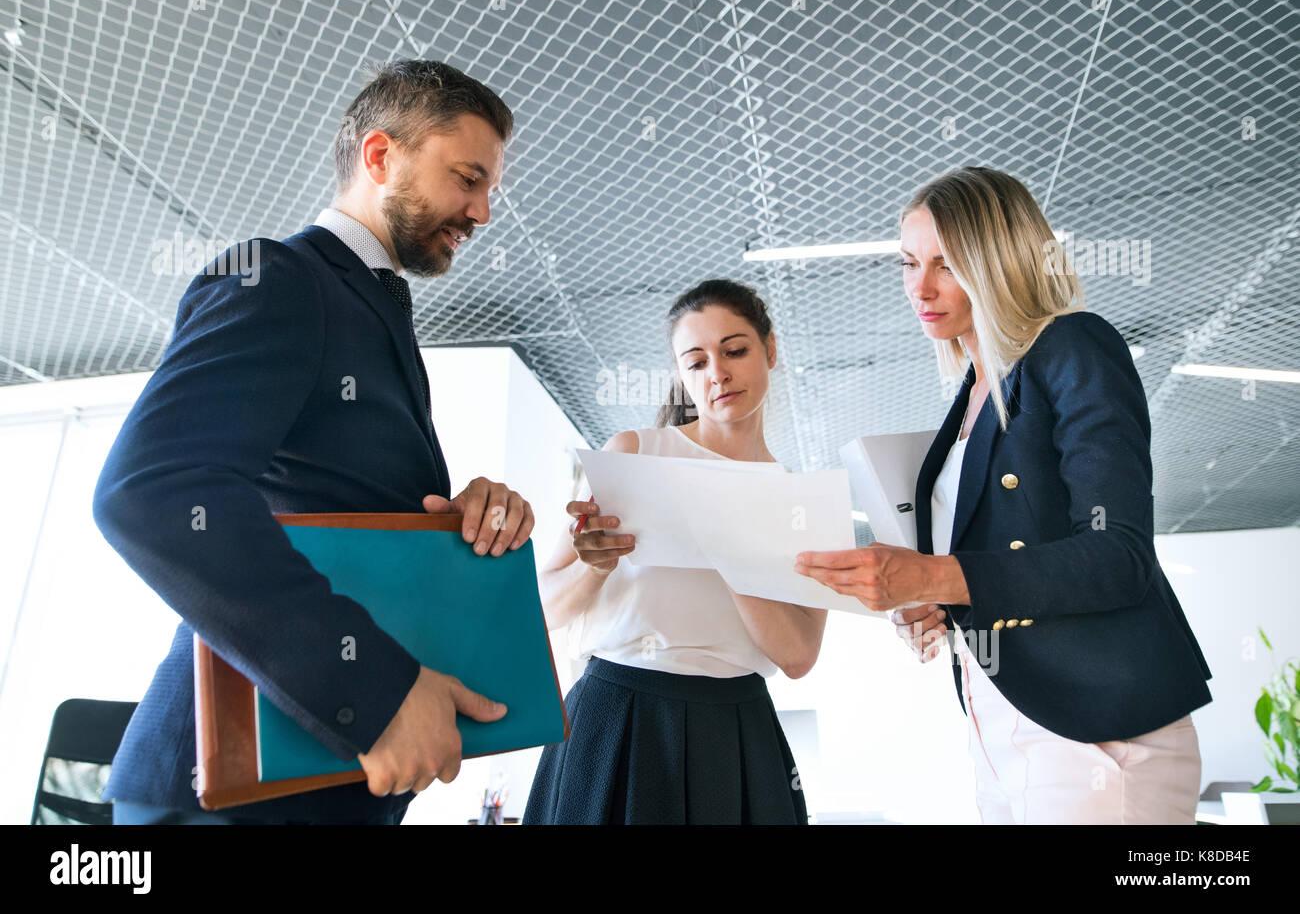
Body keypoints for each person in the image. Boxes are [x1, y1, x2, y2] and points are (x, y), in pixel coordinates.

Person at [93, 60, 536, 824]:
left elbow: (322, 501)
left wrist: (456, 517)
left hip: (308, 783)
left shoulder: (371, 308)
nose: (483, 212)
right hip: (230, 791)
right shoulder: (280, 276)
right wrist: (372, 691)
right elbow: (155, 493)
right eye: (468, 178)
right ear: (380, 156)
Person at [795, 166, 1212, 824]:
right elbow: (987, 568)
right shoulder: (969, 395)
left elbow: (1118, 554)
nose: (919, 288)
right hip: (1000, 718)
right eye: (908, 264)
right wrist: (926, 598)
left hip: (1099, 730)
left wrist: (936, 573)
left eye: (945, 264)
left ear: (1000, 261)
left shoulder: (1072, 344)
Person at [524, 279, 820, 824]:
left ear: (770, 349)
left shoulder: (804, 503)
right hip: (616, 711)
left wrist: (727, 548)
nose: (718, 374)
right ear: (681, 374)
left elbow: (798, 655)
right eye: (696, 362)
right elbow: (540, 610)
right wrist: (596, 570)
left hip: (734, 725)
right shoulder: (635, 453)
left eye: (735, 350)